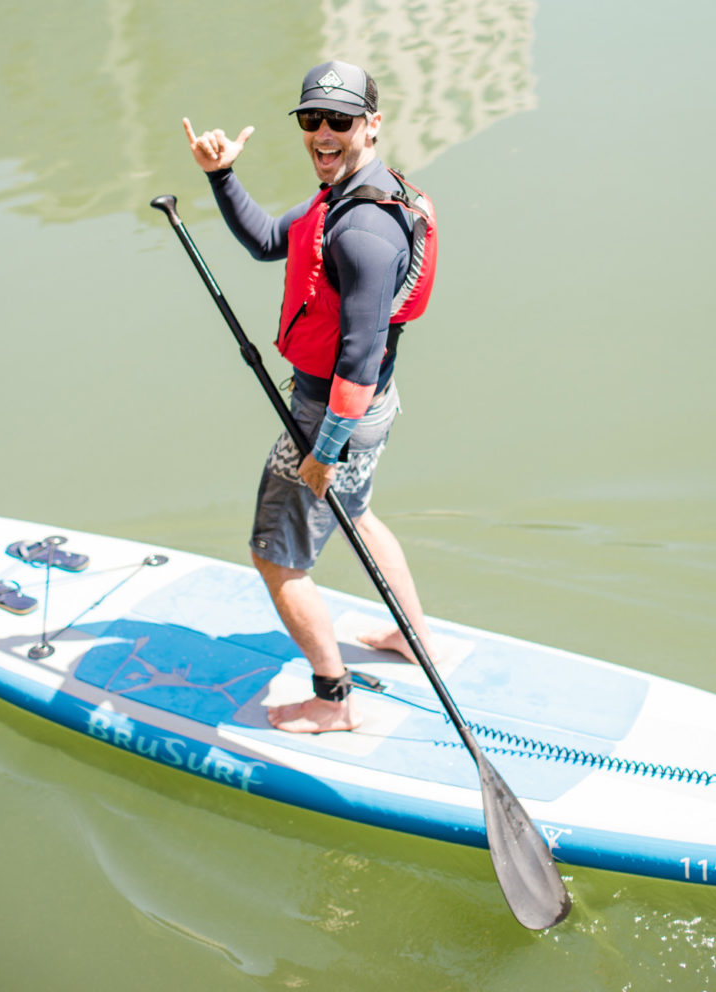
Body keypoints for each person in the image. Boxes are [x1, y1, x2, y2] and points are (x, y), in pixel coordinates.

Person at [184, 59, 438, 734]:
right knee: (359, 512)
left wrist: (323, 452)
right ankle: (411, 636)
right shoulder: (353, 195)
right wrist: (221, 176)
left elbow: (359, 356)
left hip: (334, 415)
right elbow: (270, 240)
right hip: (366, 411)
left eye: (340, 120)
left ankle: (332, 700)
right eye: (311, 119)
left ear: (371, 124)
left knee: (275, 555)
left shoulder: (362, 230)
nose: (323, 132)